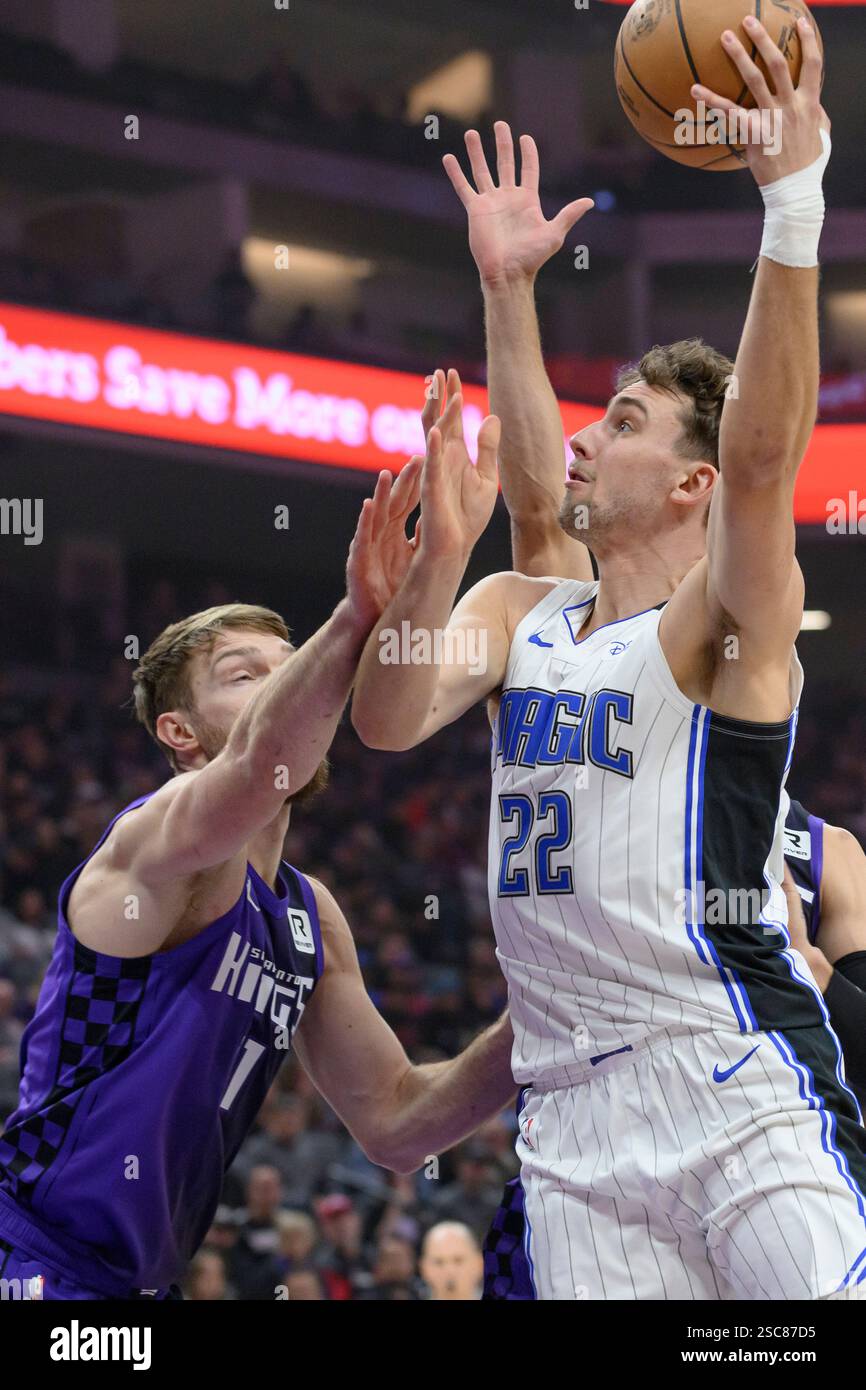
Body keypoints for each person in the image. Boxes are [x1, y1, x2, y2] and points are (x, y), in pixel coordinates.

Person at [353, 19, 866, 1300]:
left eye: (622, 421)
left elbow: (761, 462)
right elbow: (385, 719)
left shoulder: (714, 621)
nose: (587, 437)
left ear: (688, 479)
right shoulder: (525, 606)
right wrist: (432, 558)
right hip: (569, 1120)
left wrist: (788, 198)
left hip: (728, 1072)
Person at [0, 473, 515, 1300]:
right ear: (179, 732)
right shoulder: (158, 841)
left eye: (289, 670)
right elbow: (255, 768)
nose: (280, 688)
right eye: (247, 677)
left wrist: (542, 1017)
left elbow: (396, 1121)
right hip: (34, 1257)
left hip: (138, 1288)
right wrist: (355, 618)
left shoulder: (312, 919)